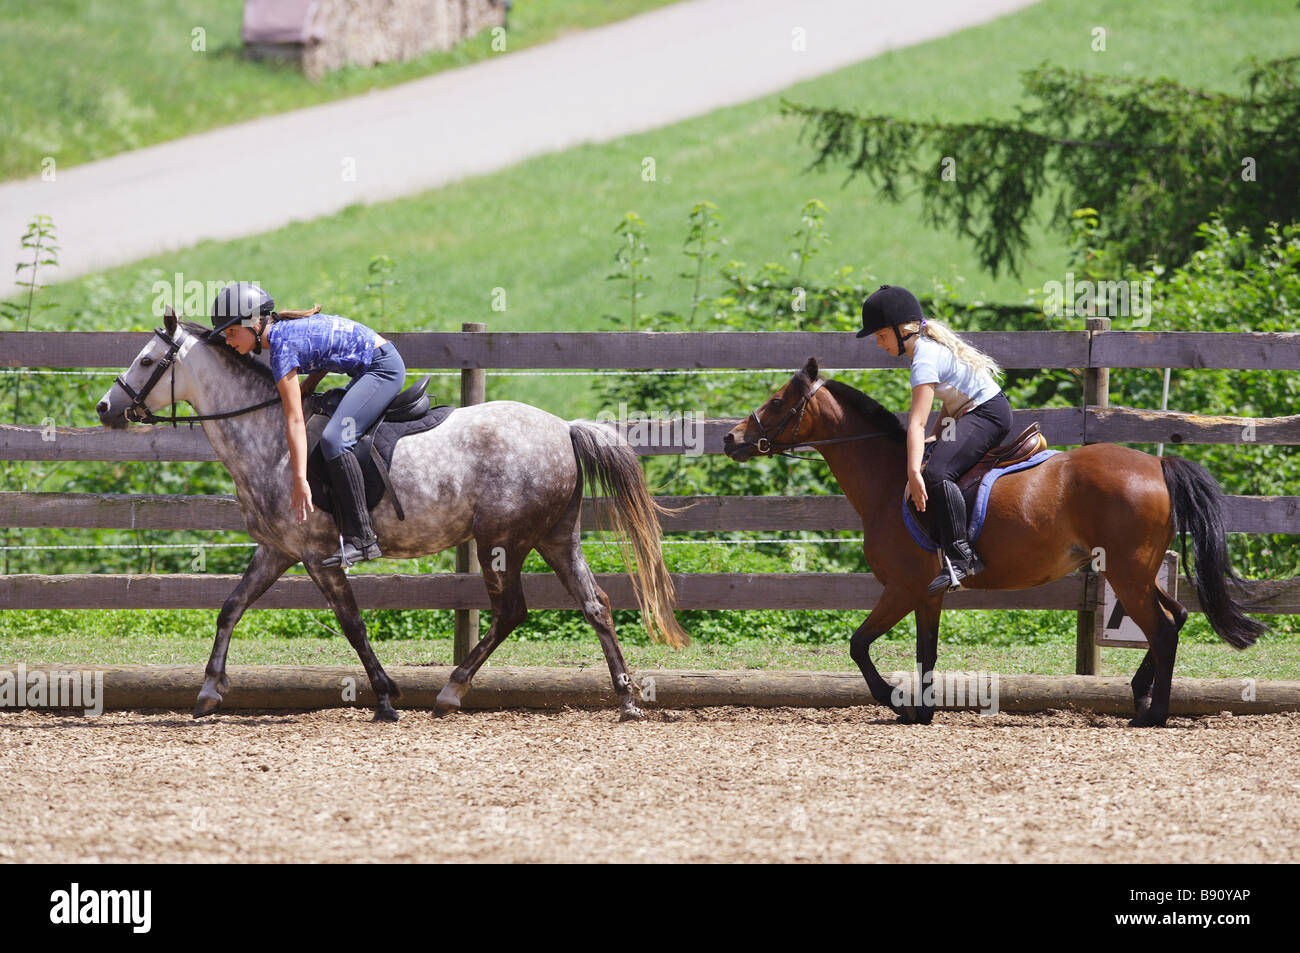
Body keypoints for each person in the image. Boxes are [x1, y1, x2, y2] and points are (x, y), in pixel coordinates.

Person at [208, 282, 407, 568]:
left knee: (335, 440)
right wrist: (306, 388)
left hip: (382, 369)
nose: (228, 340)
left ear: (253, 323)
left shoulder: (280, 346)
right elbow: (325, 356)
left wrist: (300, 481)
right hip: (371, 365)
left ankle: (363, 538)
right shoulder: (282, 333)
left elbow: (294, 420)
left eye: (230, 331)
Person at [857, 284, 1011, 593]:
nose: (878, 343)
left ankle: (960, 556)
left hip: (987, 415)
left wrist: (914, 472)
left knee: (937, 473)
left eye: (881, 335)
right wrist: (936, 437)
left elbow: (915, 423)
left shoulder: (923, 357)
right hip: (974, 412)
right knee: (933, 459)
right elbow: (950, 400)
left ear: (902, 331)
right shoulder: (925, 349)